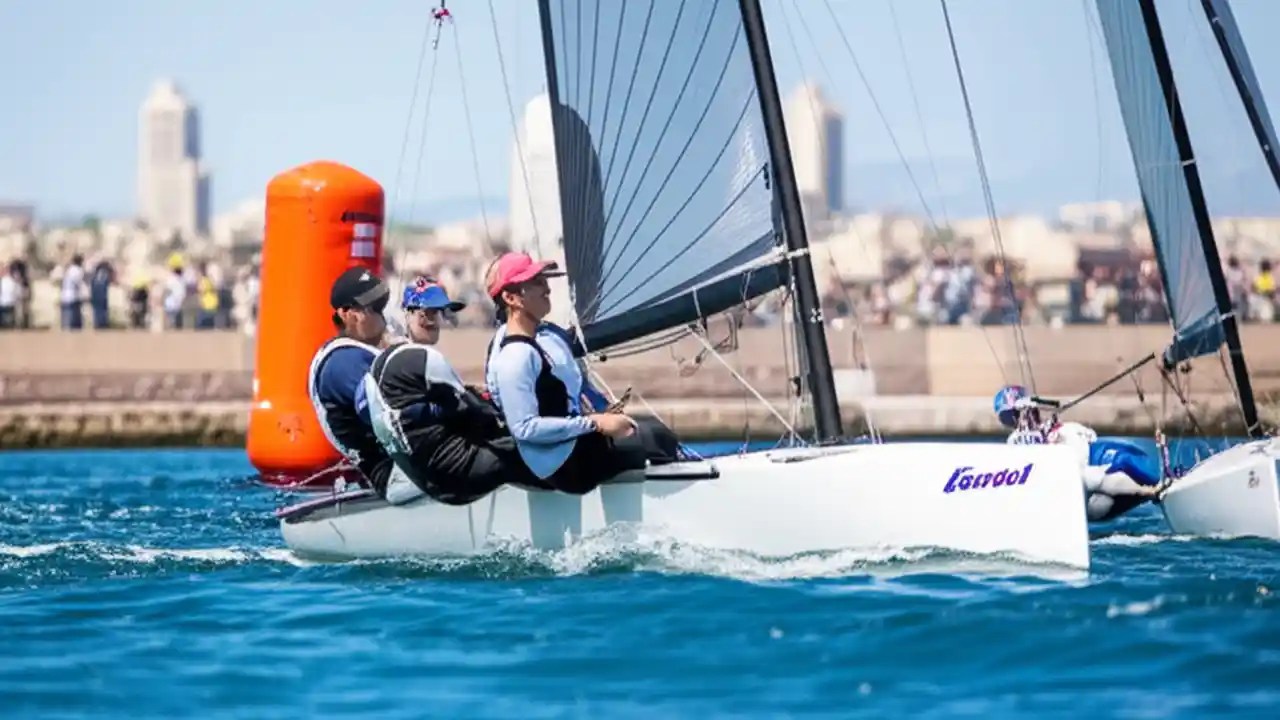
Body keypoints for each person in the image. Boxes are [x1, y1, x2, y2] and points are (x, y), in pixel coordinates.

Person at [485, 252, 664, 494]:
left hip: (568, 453)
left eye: (544, 280)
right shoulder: (515, 356)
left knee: (647, 431)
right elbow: (524, 428)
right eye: (536, 282)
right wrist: (596, 423)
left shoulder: (534, 343)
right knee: (655, 436)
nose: (546, 288)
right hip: (568, 468)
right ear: (511, 297)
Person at [363, 276, 547, 505]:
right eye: (426, 313)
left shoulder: (380, 362)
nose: (433, 320)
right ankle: (569, 494)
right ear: (409, 315)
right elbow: (477, 413)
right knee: (523, 447)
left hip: (418, 474)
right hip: (450, 481)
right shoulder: (425, 358)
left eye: (438, 313)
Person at [306, 267, 418, 503]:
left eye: (382, 306)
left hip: (413, 463)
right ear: (347, 313)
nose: (382, 316)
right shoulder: (342, 362)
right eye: (374, 308)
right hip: (396, 474)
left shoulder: (370, 353)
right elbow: (390, 413)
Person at [994, 385, 1162, 522]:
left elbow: (1092, 458)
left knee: (1122, 462)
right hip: (1084, 499)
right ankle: (1151, 490)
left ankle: (1158, 488)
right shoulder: (1015, 442)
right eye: (1011, 418)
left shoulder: (1061, 432)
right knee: (1097, 481)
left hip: (1096, 483)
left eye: (1023, 415)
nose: (1021, 421)